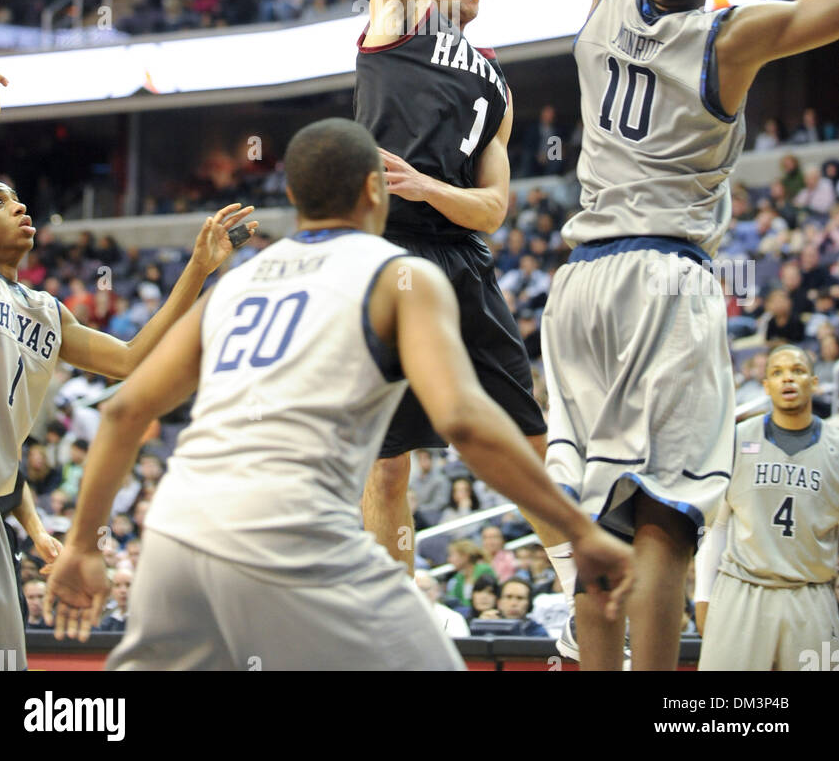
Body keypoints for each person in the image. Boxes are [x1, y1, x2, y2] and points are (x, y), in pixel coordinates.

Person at [474, 0, 839, 672]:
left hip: (577, 286)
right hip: (665, 282)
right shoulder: (731, 38)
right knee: (669, 519)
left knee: (592, 521)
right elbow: (823, 14)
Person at [43, 119, 632, 671]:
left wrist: (81, 546)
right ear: (377, 192)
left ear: (294, 199)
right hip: (296, 529)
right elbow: (465, 421)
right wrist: (578, 531)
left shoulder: (238, 283)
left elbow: (123, 409)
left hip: (177, 534)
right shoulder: (400, 275)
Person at [354, 0, 564, 573]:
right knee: (389, 461)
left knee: (529, 436)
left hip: (459, 255)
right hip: (382, 251)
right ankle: (396, 618)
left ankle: (578, 602)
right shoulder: (394, 18)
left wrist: (430, 189)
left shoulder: (497, 88)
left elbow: (494, 208)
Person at [0, 67, 257, 673]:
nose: (19, 206)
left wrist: (198, 271)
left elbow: (132, 360)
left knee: (2, 667)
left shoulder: (46, 311)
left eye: (18, 198)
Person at [696, 345, 839, 671]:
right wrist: (703, 597)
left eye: (798, 370)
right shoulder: (734, 439)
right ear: (765, 386)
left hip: (811, 594)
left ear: (814, 383)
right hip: (741, 590)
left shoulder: (835, 447)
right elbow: (716, 527)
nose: (788, 378)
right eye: (777, 372)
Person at [414, 571, 469, 638]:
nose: (421, 594)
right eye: (415, 590)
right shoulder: (402, 617)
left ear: (436, 590)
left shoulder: (453, 618)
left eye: (425, 589)